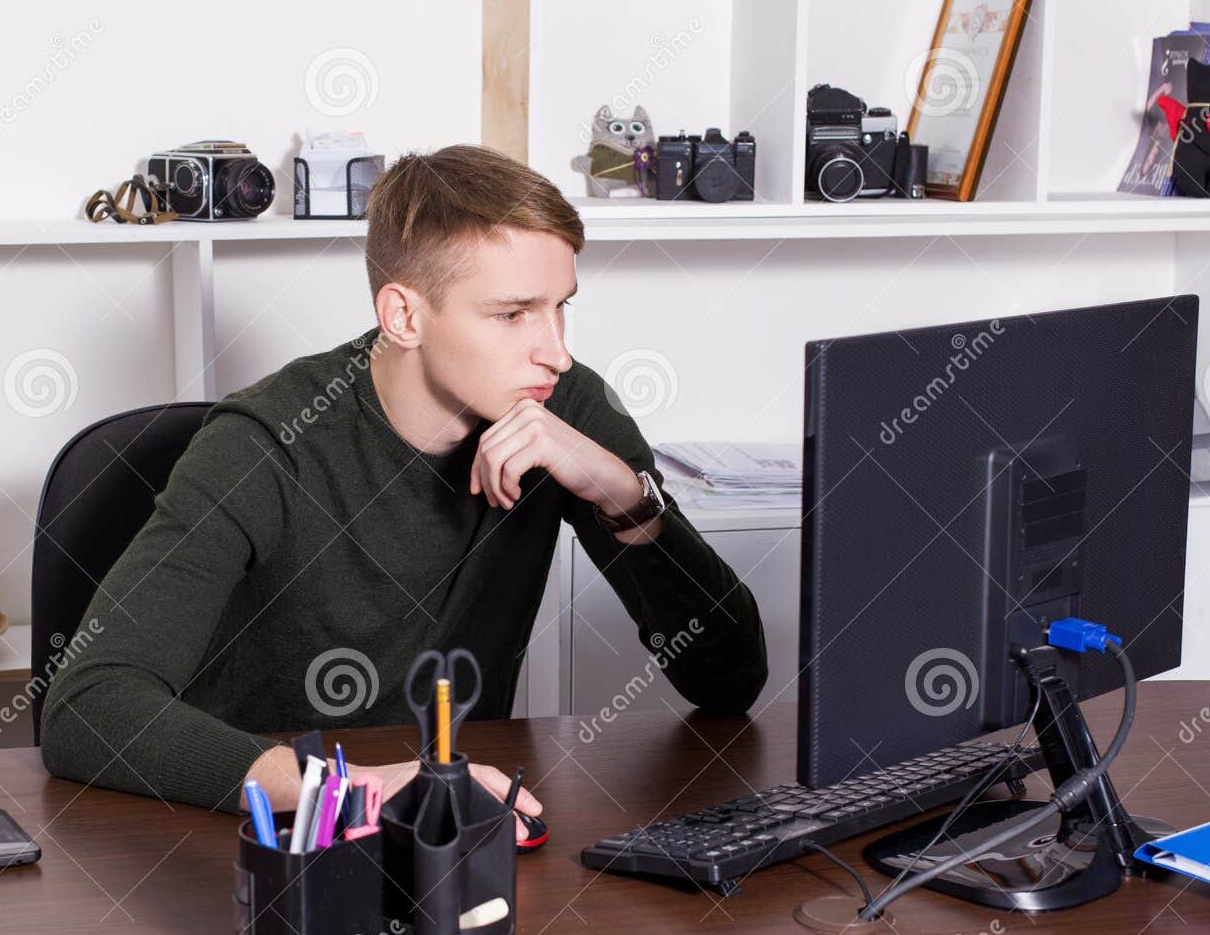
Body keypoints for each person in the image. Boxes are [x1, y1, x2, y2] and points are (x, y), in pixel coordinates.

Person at [39, 143, 768, 837]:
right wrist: (351, 787)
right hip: (266, 842)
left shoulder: (564, 409)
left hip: (460, 831)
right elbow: (86, 708)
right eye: (514, 314)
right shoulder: (264, 445)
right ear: (405, 315)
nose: (557, 350)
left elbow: (729, 679)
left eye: (561, 307)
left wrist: (621, 492)